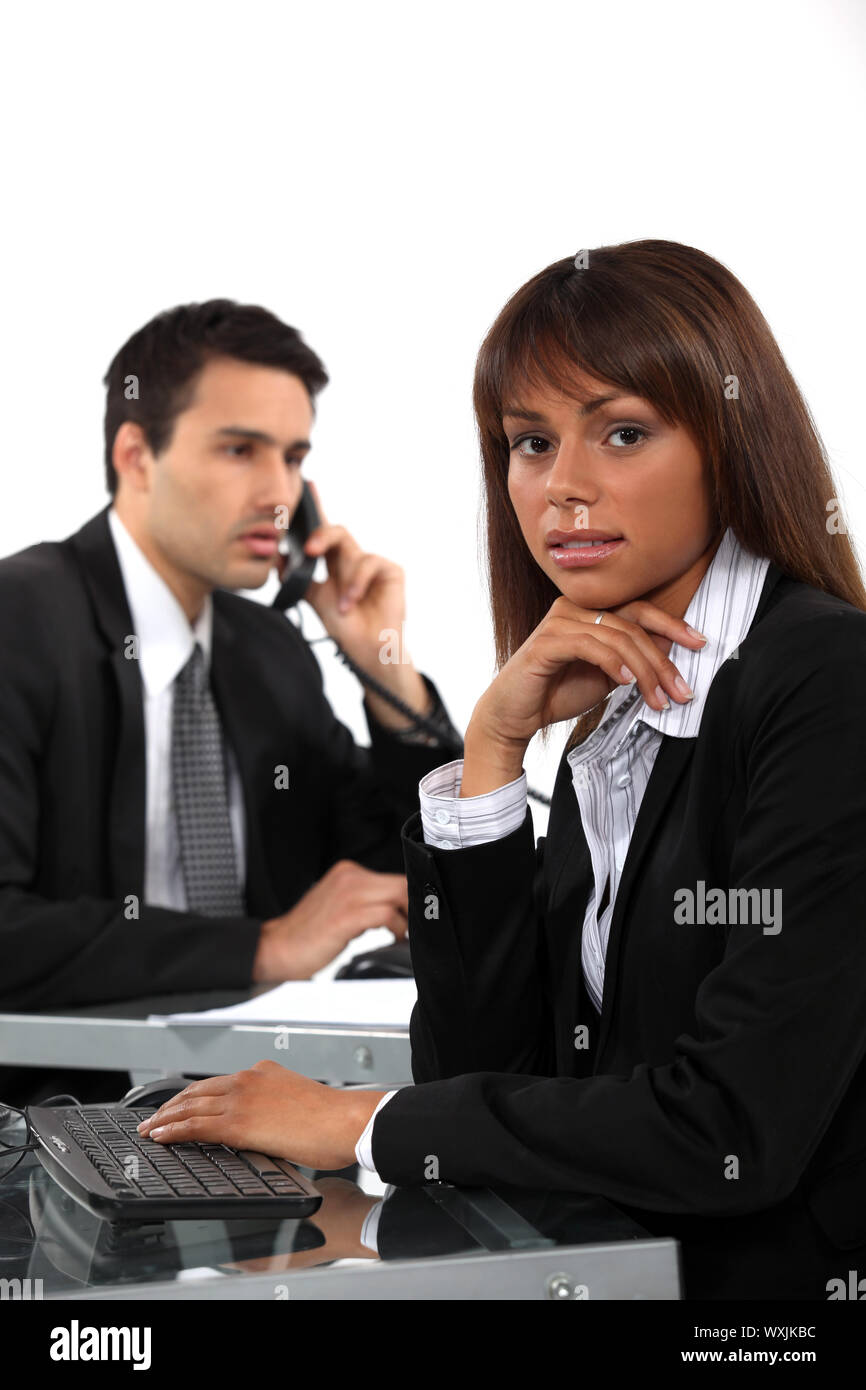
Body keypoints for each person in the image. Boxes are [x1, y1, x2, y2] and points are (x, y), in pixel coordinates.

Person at [137, 243, 866, 1300]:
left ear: (729, 442)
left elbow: (729, 1126)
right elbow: (493, 1074)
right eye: (528, 442)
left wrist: (357, 1120)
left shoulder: (823, 680)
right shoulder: (613, 701)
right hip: (599, 1271)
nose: (561, 487)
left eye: (621, 432)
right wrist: (488, 755)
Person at [0, 299, 460, 1105]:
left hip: (258, 1119)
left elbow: (404, 876)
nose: (278, 494)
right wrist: (263, 946)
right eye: (240, 450)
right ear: (136, 455)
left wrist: (387, 671)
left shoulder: (266, 651)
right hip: (49, 1129)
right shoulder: (23, 619)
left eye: (293, 458)